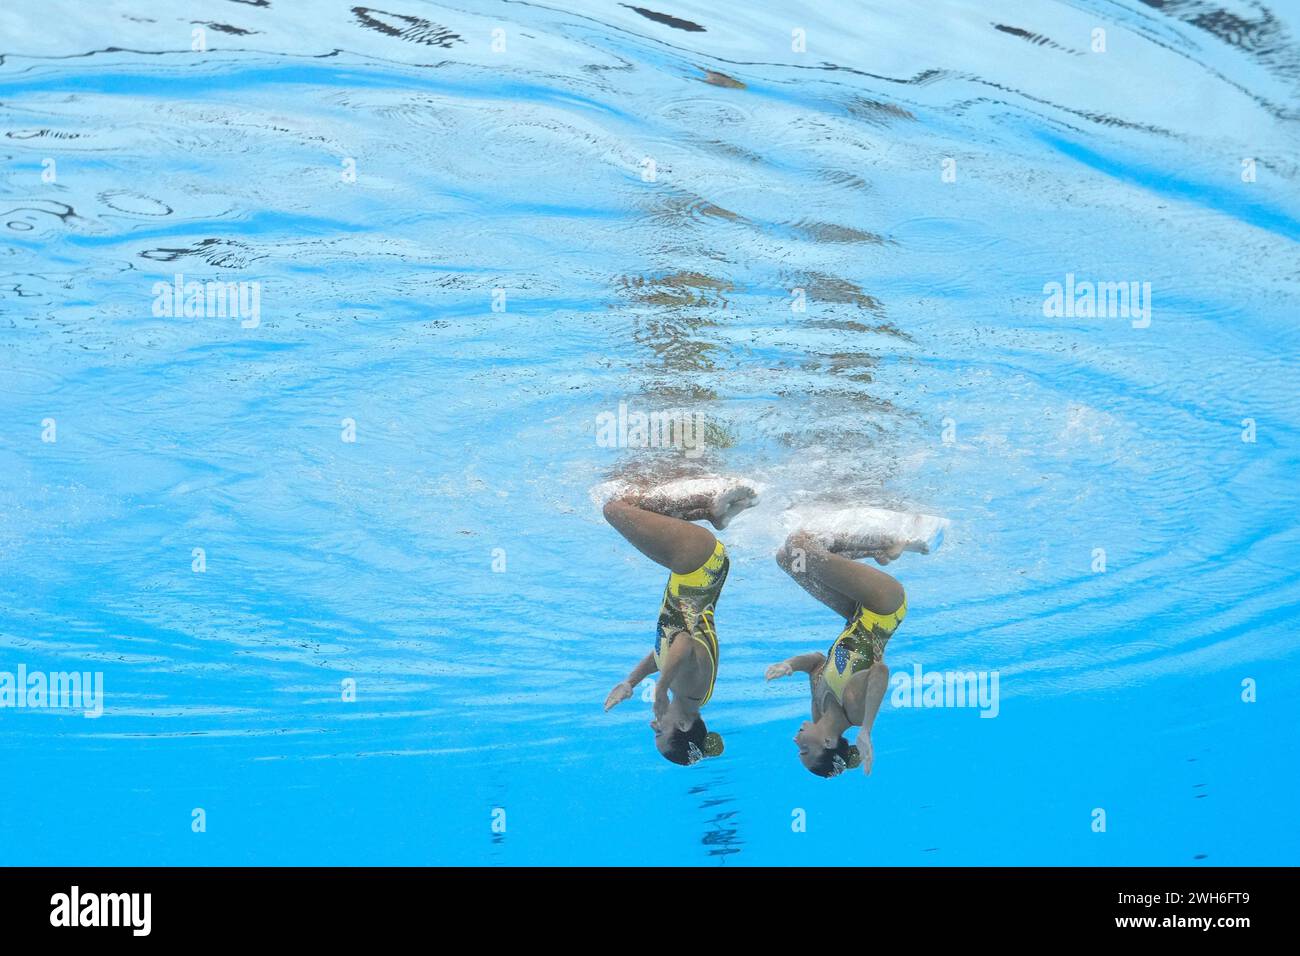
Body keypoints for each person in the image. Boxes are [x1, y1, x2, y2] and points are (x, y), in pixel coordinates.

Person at [601, 476, 758, 765]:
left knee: (637, 505)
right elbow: (683, 642)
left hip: (697, 566)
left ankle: (710, 510)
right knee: (614, 508)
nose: (653, 725)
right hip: (695, 566)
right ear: (683, 726)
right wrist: (660, 688)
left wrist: (630, 682)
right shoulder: (691, 688)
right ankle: (710, 509)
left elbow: (665, 650)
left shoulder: (687, 692)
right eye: (660, 733)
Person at [765, 525, 909, 777]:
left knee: (788, 560)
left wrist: (789, 664)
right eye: (805, 751)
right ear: (829, 743)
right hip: (883, 606)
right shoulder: (854, 711)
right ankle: (881, 542)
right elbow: (881, 671)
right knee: (799, 546)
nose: (795, 742)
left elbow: (815, 663)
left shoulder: (818, 710)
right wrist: (866, 729)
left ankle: (882, 550)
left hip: (855, 613)